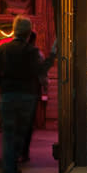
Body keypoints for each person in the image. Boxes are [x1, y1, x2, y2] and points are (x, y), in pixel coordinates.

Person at [0, 15, 56, 173]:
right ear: (28, 33)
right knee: (20, 134)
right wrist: (53, 54)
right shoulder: (32, 52)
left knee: (8, 134)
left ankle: (8, 170)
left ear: (14, 31)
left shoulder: (3, 49)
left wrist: (3, 85)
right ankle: (11, 168)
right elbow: (41, 70)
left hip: (8, 95)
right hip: (27, 96)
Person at [20, 31, 49, 163]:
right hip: (31, 91)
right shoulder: (37, 53)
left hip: (17, 91)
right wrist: (45, 88)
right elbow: (42, 73)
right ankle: (24, 152)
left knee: (17, 123)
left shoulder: (14, 51)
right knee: (28, 124)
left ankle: (15, 153)